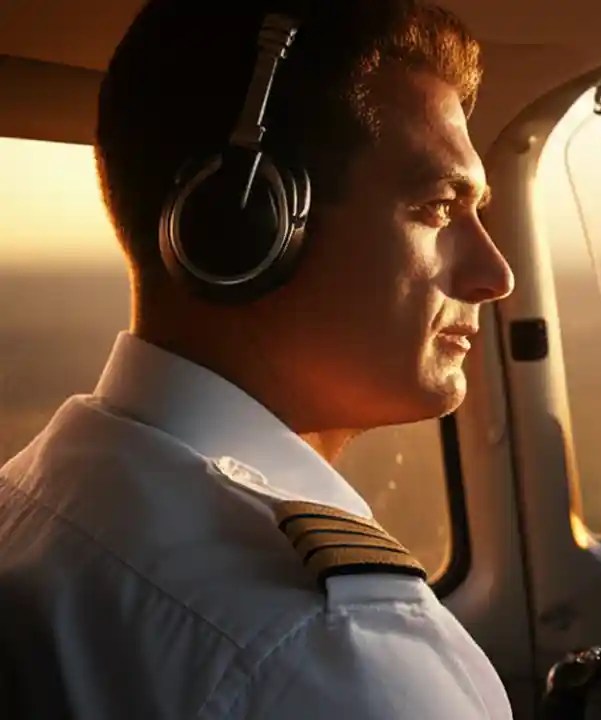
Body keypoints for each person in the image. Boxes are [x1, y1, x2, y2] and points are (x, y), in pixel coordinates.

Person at [0, 0, 515, 717]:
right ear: (243, 225)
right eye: (437, 208)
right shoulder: (328, 655)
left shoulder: (30, 502)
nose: (494, 275)